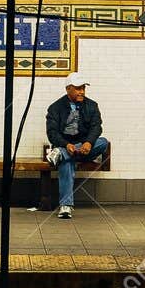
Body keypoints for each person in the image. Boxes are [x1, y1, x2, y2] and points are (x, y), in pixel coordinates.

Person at [45, 71, 107, 219]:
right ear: (68, 89)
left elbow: (96, 127)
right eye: (78, 88)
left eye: (83, 88)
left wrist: (88, 142)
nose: (82, 92)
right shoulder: (55, 108)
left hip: (85, 149)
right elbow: (52, 133)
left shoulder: (92, 105)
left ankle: (60, 154)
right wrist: (66, 145)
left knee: (103, 142)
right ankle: (66, 206)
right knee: (67, 162)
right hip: (66, 146)